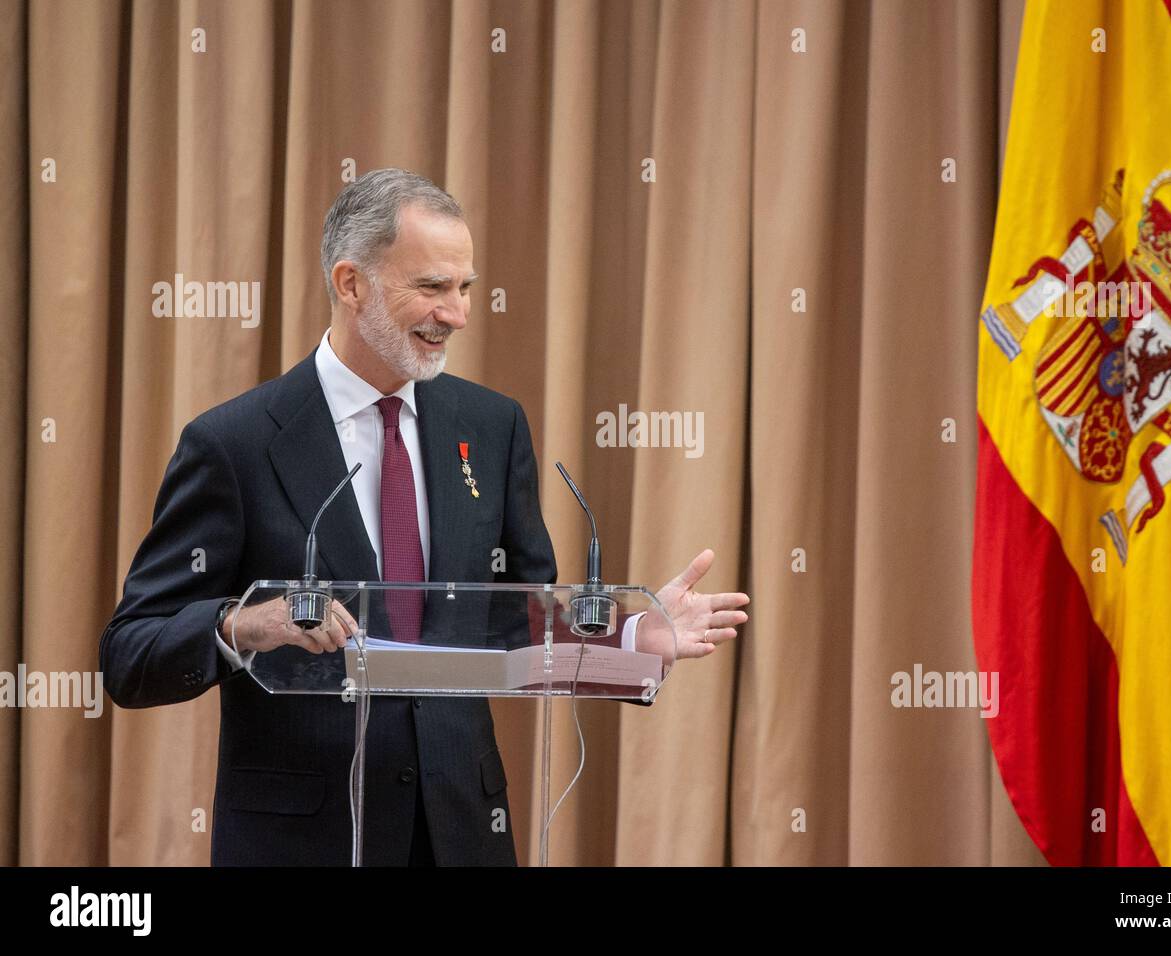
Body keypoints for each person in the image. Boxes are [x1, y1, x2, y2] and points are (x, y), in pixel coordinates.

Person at [100, 168, 750, 866]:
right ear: (351, 285)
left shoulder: (492, 425)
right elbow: (130, 656)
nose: (459, 313)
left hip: (460, 833)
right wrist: (244, 623)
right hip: (304, 841)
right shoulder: (234, 444)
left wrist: (633, 637)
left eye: (464, 288)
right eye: (433, 288)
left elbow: (515, 622)